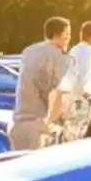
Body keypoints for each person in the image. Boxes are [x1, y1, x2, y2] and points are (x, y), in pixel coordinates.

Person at [11, 16, 71, 151]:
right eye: (67, 33)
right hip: (40, 123)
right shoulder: (59, 56)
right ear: (58, 34)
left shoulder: (28, 51)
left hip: (19, 120)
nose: (68, 38)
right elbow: (56, 90)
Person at [45, 20, 91, 145]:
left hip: (67, 97)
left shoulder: (76, 49)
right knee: (77, 137)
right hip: (77, 99)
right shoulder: (87, 51)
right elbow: (80, 78)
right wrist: (85, 95)